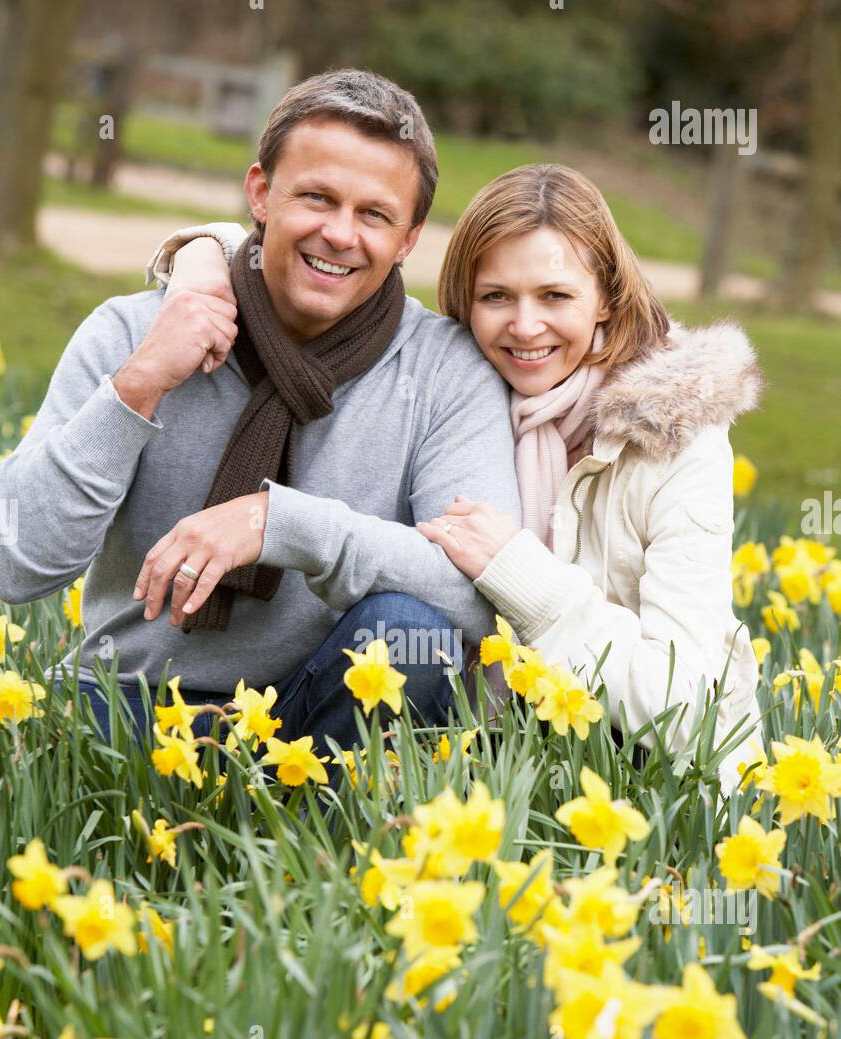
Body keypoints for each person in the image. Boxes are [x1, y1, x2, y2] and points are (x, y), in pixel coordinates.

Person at [152, 164, 762, 793]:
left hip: (640, 787)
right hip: (484, 762)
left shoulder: (675, 439)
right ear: (465, 302)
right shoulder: (460, 391)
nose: (525, 327)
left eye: (555, 296)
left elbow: (691, 711)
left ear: (606, 297)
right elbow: (312, 270)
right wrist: (203, 253)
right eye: (497, 297)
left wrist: (528, 581)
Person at [0, 69, 520, 754]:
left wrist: (280, 524)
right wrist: (139, 385)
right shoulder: (134, 331)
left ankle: (314, 851)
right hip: (131, 703)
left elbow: (480, 592)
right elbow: (13, 564)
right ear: (261, 193)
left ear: (409, 237)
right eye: (316, 198)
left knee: (409, 633)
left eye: (374, 214)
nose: (340, 234)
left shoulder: (446, 370)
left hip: (318, 724)